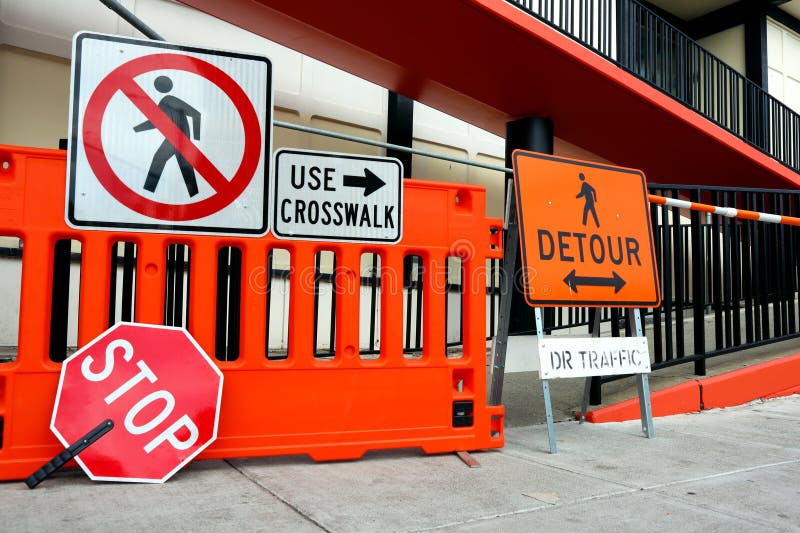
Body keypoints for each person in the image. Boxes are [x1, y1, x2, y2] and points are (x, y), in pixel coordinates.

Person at [134, 75, 201, 197]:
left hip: (179, 139)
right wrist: (136, 129)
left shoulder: (169, 100)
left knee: (158, 159)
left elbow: (196, 114)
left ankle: (147, 193)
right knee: (185, 167)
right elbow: (155, 122)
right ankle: (195, 195)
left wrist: (196, 139)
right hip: (176, 139)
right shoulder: (164, 103)